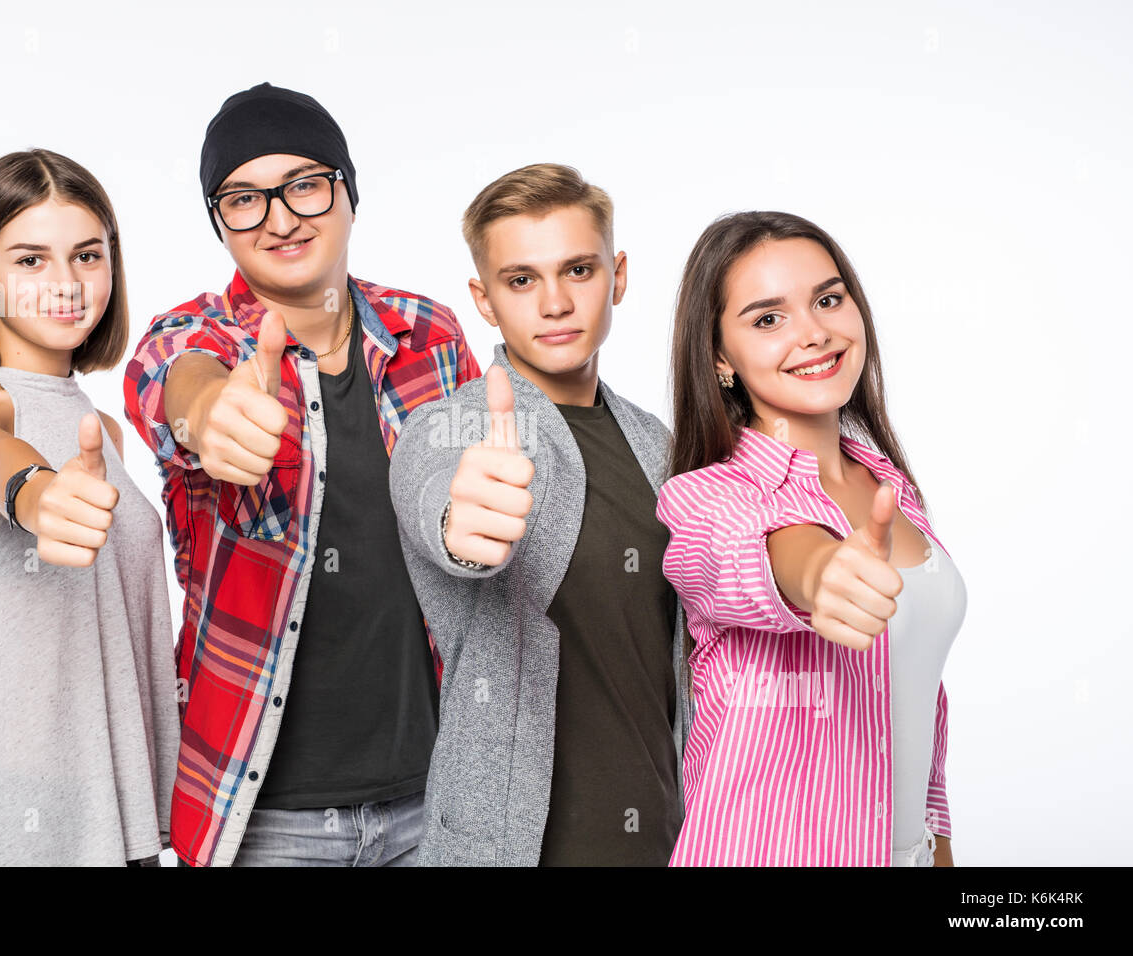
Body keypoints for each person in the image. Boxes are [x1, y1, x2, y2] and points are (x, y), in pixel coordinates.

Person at [122, 81, 482, 867]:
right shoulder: (195, 335)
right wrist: (208, 413)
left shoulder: (430, 335)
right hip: (264, 819)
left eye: (305, 186)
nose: (281, 219)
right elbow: (169, 381)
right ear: (219, 223)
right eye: (244, 199)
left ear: (349, 193)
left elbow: (470, 538)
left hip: (431, 797)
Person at [388, 163, 693, 866]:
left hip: (663, 840)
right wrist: (463, 528)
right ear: (484, 299)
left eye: (577, 270)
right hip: (511, 851)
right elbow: (446, 504)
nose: (554, 302)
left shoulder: (658, 444)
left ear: (617, 276)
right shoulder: (448, 430)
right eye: (521, 280)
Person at [656, 210, 967, 866]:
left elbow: (917, 699)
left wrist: (937, 848)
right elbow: (747, 553)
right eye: (768, 318)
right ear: (719, 358)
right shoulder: (706, 497)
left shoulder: (891, 488)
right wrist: (819, 571)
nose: (815, 332)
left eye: (828, 299)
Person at [0, 148, 179, 866]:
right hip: (7, 823)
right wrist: (35, 492)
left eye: (87, 255)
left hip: (118, 814)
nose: (66, 283)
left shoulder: (104, 432)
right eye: (30, 260)